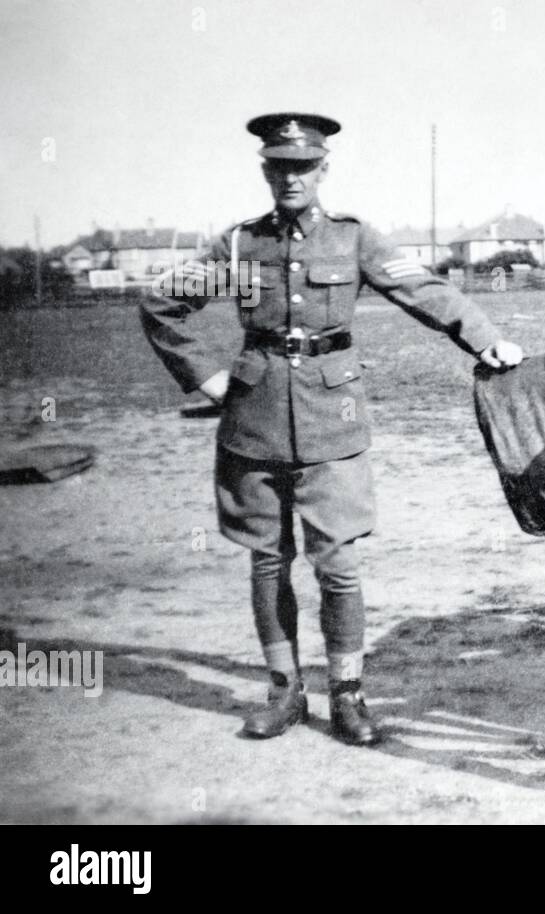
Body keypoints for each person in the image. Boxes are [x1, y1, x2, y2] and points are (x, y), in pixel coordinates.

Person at [140, 112, 522, 746]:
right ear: (265, 171)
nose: (291, 178)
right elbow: (160, 302)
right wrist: (206, 378)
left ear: (323, 170)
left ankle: (347, 693)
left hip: (332, 420)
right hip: (253, 419)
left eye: (303, 167)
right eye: (279, 167)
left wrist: (486, 340)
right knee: (268, 560)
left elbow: (425, 291)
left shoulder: (352, 240)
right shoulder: (238, 246)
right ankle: (284, 690)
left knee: (337, 562)